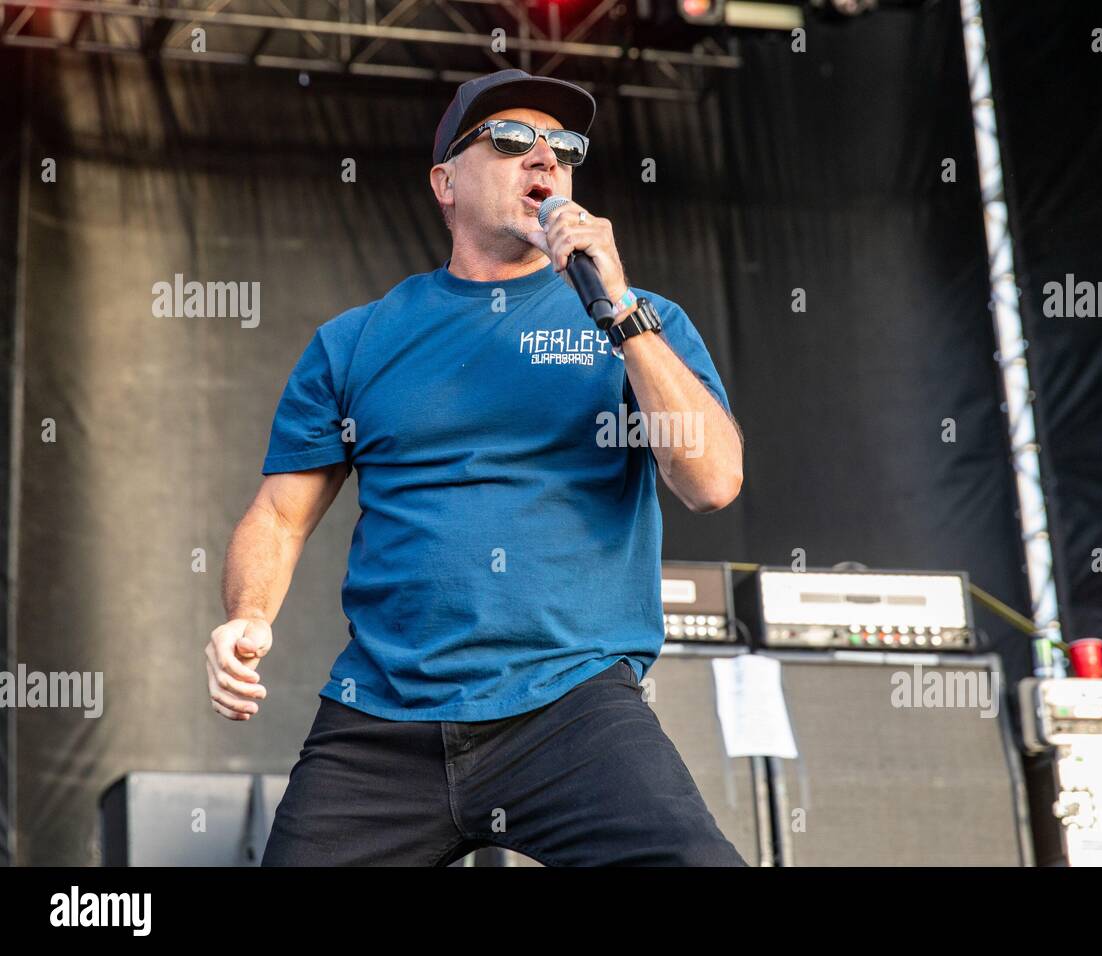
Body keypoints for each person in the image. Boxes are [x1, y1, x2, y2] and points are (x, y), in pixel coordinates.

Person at [204, 69, 747, 866]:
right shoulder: (356, 342)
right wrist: (248, 615)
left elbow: (713, 482)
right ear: (445, 183)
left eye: (564, 146)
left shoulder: (643, 323)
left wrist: (620, 310)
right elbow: (280, 517)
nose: (546, 158)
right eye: (513, 139)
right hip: (382, 717)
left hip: (569, 705)